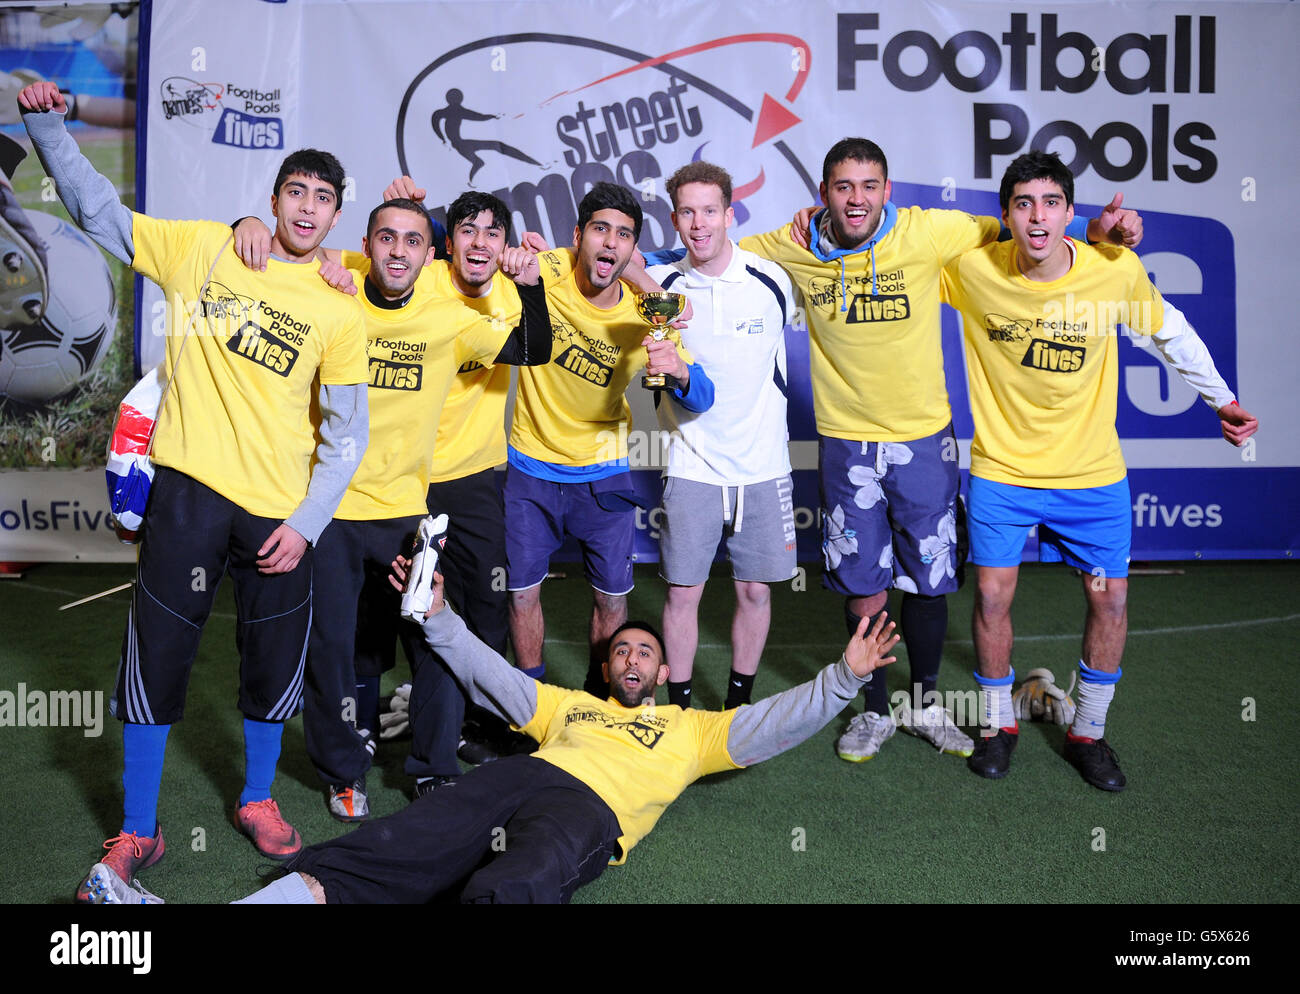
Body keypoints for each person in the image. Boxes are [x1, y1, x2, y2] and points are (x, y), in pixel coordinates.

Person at [19, 81, 370, 898]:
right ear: (273, 199)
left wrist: (311, 521)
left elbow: (347, 434)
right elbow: (100, 211)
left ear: (334, 216)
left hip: (279, 510)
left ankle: (255, 798)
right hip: (189, 491)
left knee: (275, 659)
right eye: (296, 193)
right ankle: (140, 828)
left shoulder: (339, 306)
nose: (308, 209)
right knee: (158, 653)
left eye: (324, 199)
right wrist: (46, 127)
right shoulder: (208, 248)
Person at [738, 137, 1142, 763]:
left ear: (887, 190)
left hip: (926, 441)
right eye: (843, 187)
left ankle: (923, 704)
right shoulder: (793, 245)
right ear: (823, 195)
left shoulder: (933, 233)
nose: (857, 199)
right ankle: (875, 712)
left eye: (869, 186)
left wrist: (1097, 229)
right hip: (846, 446)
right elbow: (712, 257)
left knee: (929, 584)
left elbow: (1024, 230)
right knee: (864, 588)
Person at [231, 557, 901, 903]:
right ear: (606, 668)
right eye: (620, 651)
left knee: (520, 882)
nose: (631, 656)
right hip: (519, 776)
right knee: (388, 847)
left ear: (664, 670)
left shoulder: (692, 730)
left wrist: (842, 677)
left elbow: (773, 723)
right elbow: (486, 672)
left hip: (588, 812)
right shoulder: (566, 707)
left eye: (644, 650)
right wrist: (437, 616)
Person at [942, 150, 1258, 790]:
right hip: (1002, 471)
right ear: (1005, 215)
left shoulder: (1113, 271)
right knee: (994, 595)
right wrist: (824, 229)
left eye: (1051, 203)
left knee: (1108, 598)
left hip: (1090, 474)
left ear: (1069, 212)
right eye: (1024, 203)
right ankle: (999, 724)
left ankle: (1088, 733)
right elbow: (891, 262)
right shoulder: (971, 270)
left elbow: (1172, 331)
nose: (1037, 216)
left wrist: (1220, 398)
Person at [232, 194, 550, 818]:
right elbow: (276, 254)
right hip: (332, 510)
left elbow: (531, 350)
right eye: (386, 238)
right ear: (366, 245)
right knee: (334, 646)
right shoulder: (335, 293)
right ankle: (344, 771)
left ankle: (432, 771)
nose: (397, 251)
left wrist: (533, 288)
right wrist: (244, 224)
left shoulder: (447, 319)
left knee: (433, 636)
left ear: (428, 254)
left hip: (407, 512)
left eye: (411, 241)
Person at [506, 181, 714, 698]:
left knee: (613, 601)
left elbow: (702, 398)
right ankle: (532, 706)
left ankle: (599, 704)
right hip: (530, 464)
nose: (610, 243)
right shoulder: (549, 269)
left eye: (624, 235)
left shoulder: (648, 316)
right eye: (600, 229)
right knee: (522, 596)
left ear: (632, 249)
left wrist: (681, 372)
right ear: (578, 236)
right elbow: (473, 258)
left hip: (604, 471)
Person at [642, 161, 797, 709]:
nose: (699, 223)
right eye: (687, 212)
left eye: (710, 211)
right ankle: (681, 708)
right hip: (692, 465)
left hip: (763, 466)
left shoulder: (771, 280)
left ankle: (737, 707)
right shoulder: (660, 287)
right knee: (684, 593)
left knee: (755, 591)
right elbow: (614, 264)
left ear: (730, 215)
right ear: (675, 218)